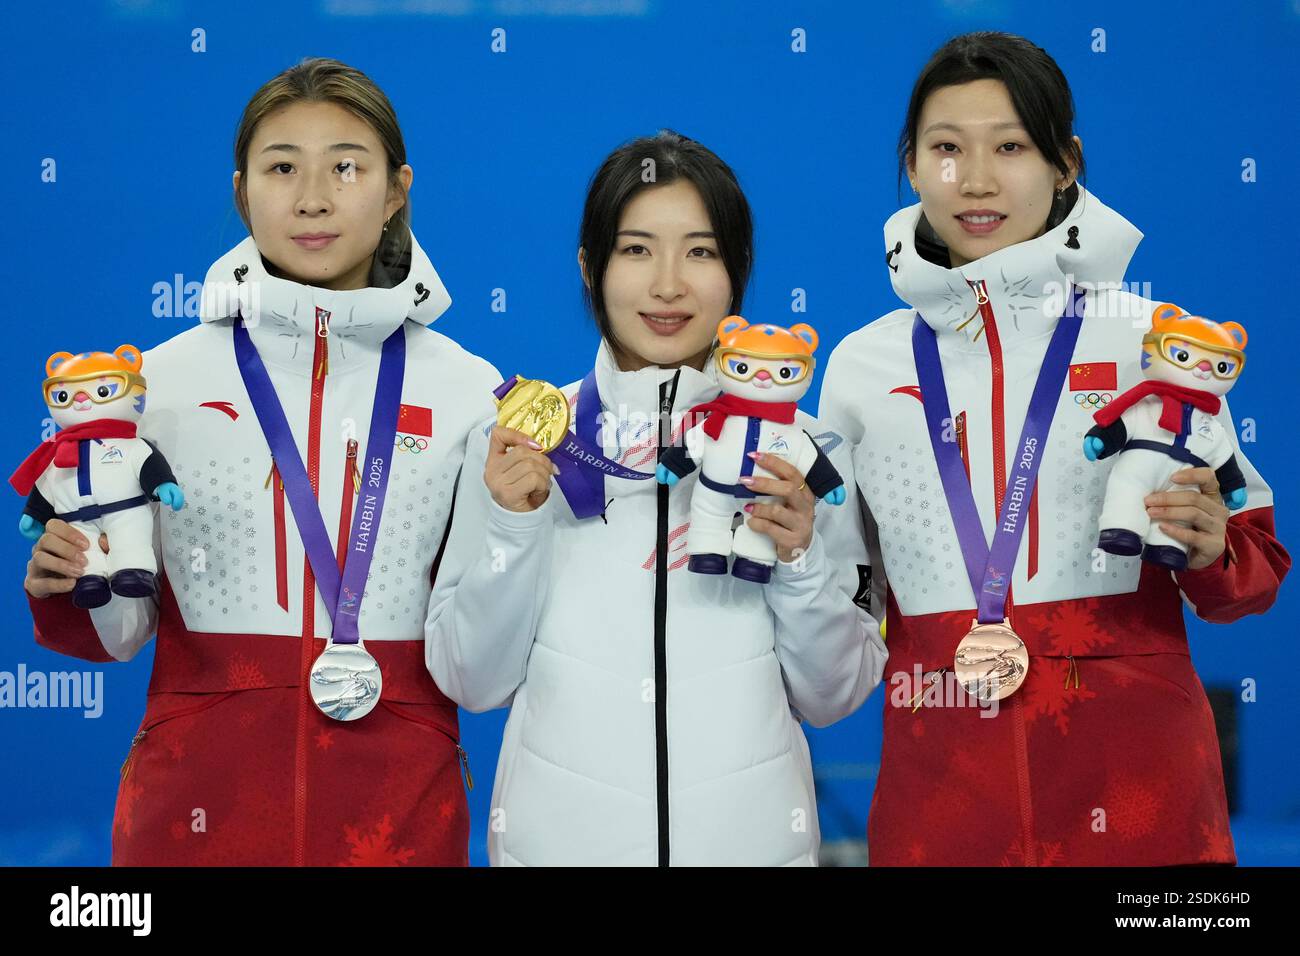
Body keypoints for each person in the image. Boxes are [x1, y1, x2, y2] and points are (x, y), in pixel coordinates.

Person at [819, 31, 1290, 866]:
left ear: (1066, 160)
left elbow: (1252, 567)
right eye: (946, 149)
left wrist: (1215, 550)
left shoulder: (1155, 336)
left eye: (1011, 146)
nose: (978, 179)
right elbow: (846, 596)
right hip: (944, 793)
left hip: (1141, 796)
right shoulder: (863, 364)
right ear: (914, 165)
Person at [21, 57, 499, 866]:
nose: (313, 197)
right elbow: (122, 633)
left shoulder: (467, 389)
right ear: (243, 189)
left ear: (394, 191)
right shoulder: (156, 385)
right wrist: (72, 581)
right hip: (194, 819)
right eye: (282, 167)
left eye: (346, 166)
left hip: (398, 819)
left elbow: (485, 644)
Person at [425, 130, 887, 866]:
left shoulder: (808, 454)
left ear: (737, 276)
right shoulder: (520, 443)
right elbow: (470, 680)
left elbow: (835, 696)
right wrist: (514, 529)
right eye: (637, 250)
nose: (668, 285)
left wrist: (798, 561)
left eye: (700, 252)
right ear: (590, 267)